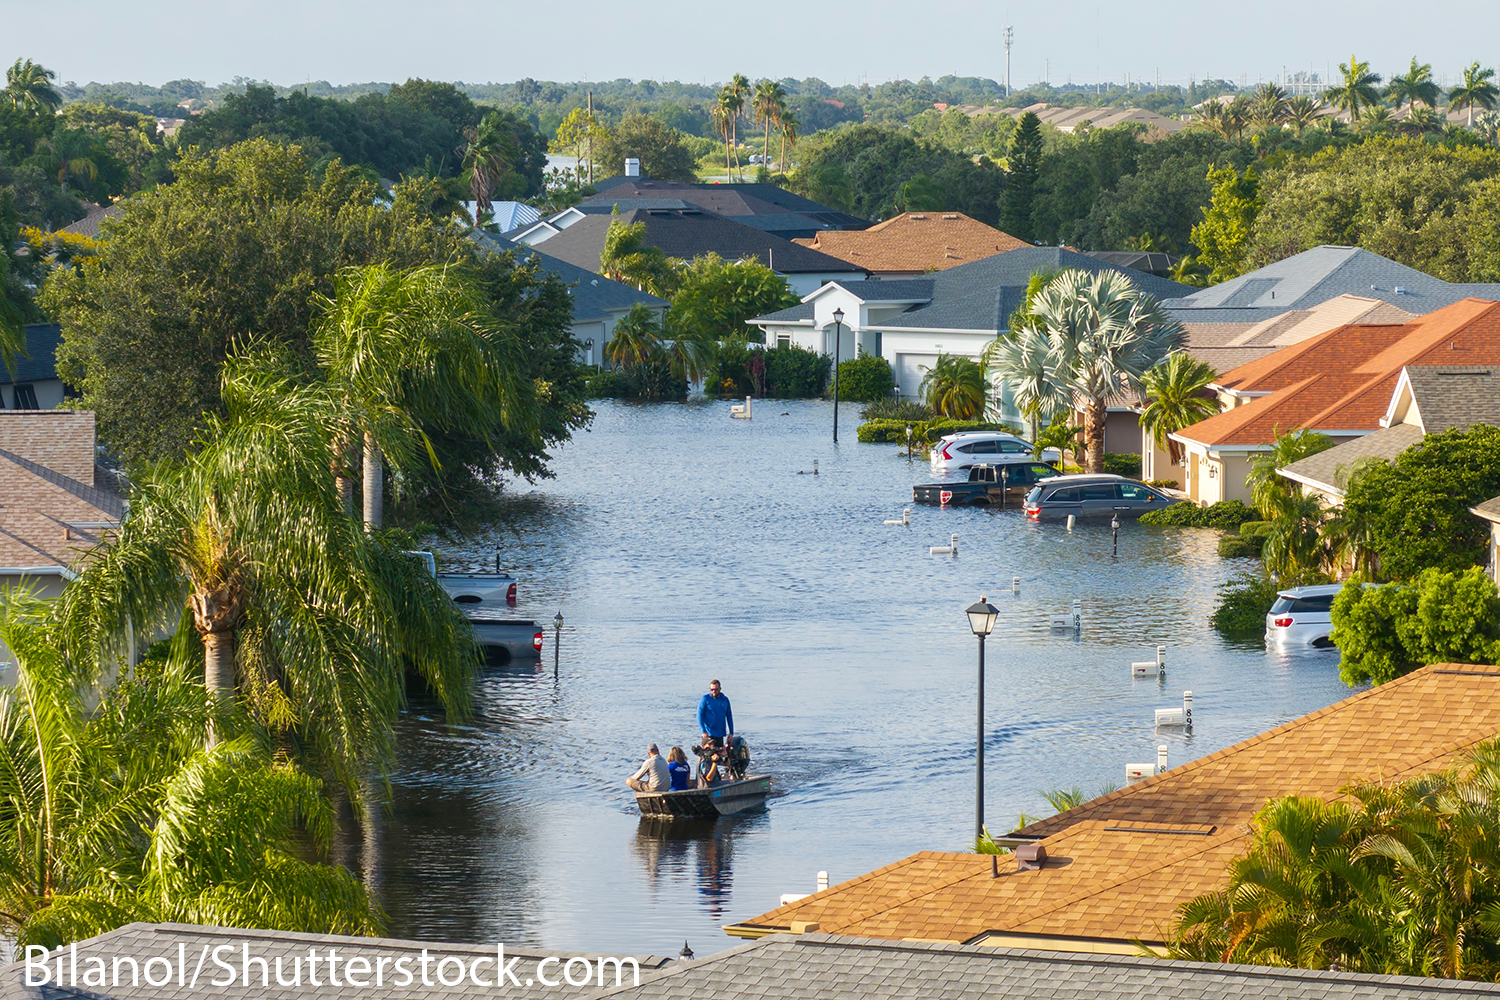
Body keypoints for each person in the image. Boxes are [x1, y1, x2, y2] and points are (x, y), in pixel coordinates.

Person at [697, 679, 734, 748]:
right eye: (711, 689)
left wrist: (731, 732)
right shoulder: (705, 699)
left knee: (720, 754)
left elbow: (729, 716)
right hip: (708, 733)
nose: (713, 692)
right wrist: (703, 731)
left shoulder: (725, 700)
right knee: (710, 755)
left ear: (720, 689)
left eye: (716, 690)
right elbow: (699, 715)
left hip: (720, 733)